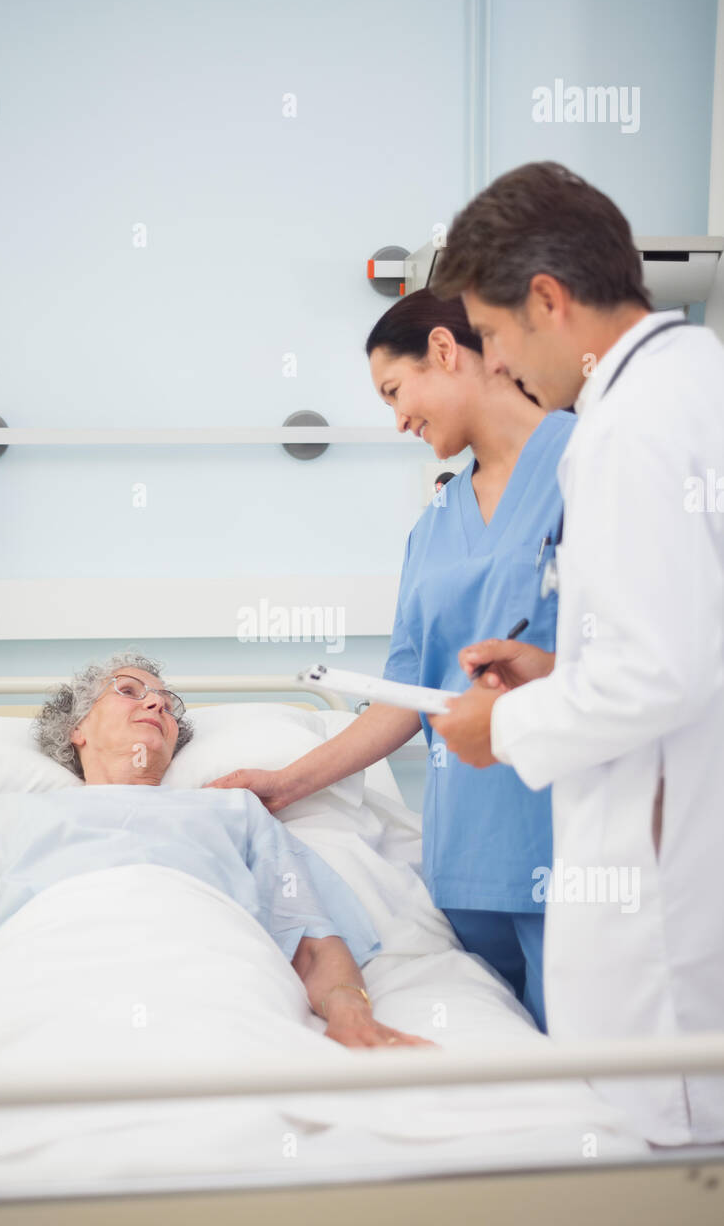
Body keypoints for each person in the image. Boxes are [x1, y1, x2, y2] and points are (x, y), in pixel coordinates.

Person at [428, 160, 724, 1145]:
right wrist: (558, 674)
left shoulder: (623, 430)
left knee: (664, 1172)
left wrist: (500, 723)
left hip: (662, 889)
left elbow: (658, 672)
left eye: (498, 335)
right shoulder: (697, 379)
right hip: (687, 815)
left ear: (546, 300)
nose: (500, 365)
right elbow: (688, 639)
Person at [208, 290, 576, 1033]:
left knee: (605, 1088)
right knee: (498, 1070)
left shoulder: (589, 467)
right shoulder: (433, 528)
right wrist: (286, 782)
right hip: (467, 857)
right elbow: (404, 696)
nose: (398, 418)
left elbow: (651, 649)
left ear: (446, 350)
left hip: (572, 839)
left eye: (394, 391)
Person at [0, 652, 433, 1073]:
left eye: (167, 703)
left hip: (214, 968)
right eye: (130, 691)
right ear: (77, 729)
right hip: (42, 970)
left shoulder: (233, 813)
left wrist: (350, 1015)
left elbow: (315, 944)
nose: (157, 703)